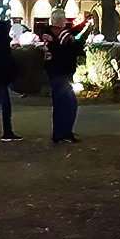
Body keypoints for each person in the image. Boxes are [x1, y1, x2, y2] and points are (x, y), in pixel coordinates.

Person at [43, 8, 88, 145]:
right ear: (60, 21)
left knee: (61, 104)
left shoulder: (48, 35)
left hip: (56, 73)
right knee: (68, 104)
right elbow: (67, 52)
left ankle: (61, 133)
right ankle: (63, 133)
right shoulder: (62, 37)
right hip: (60, 73)